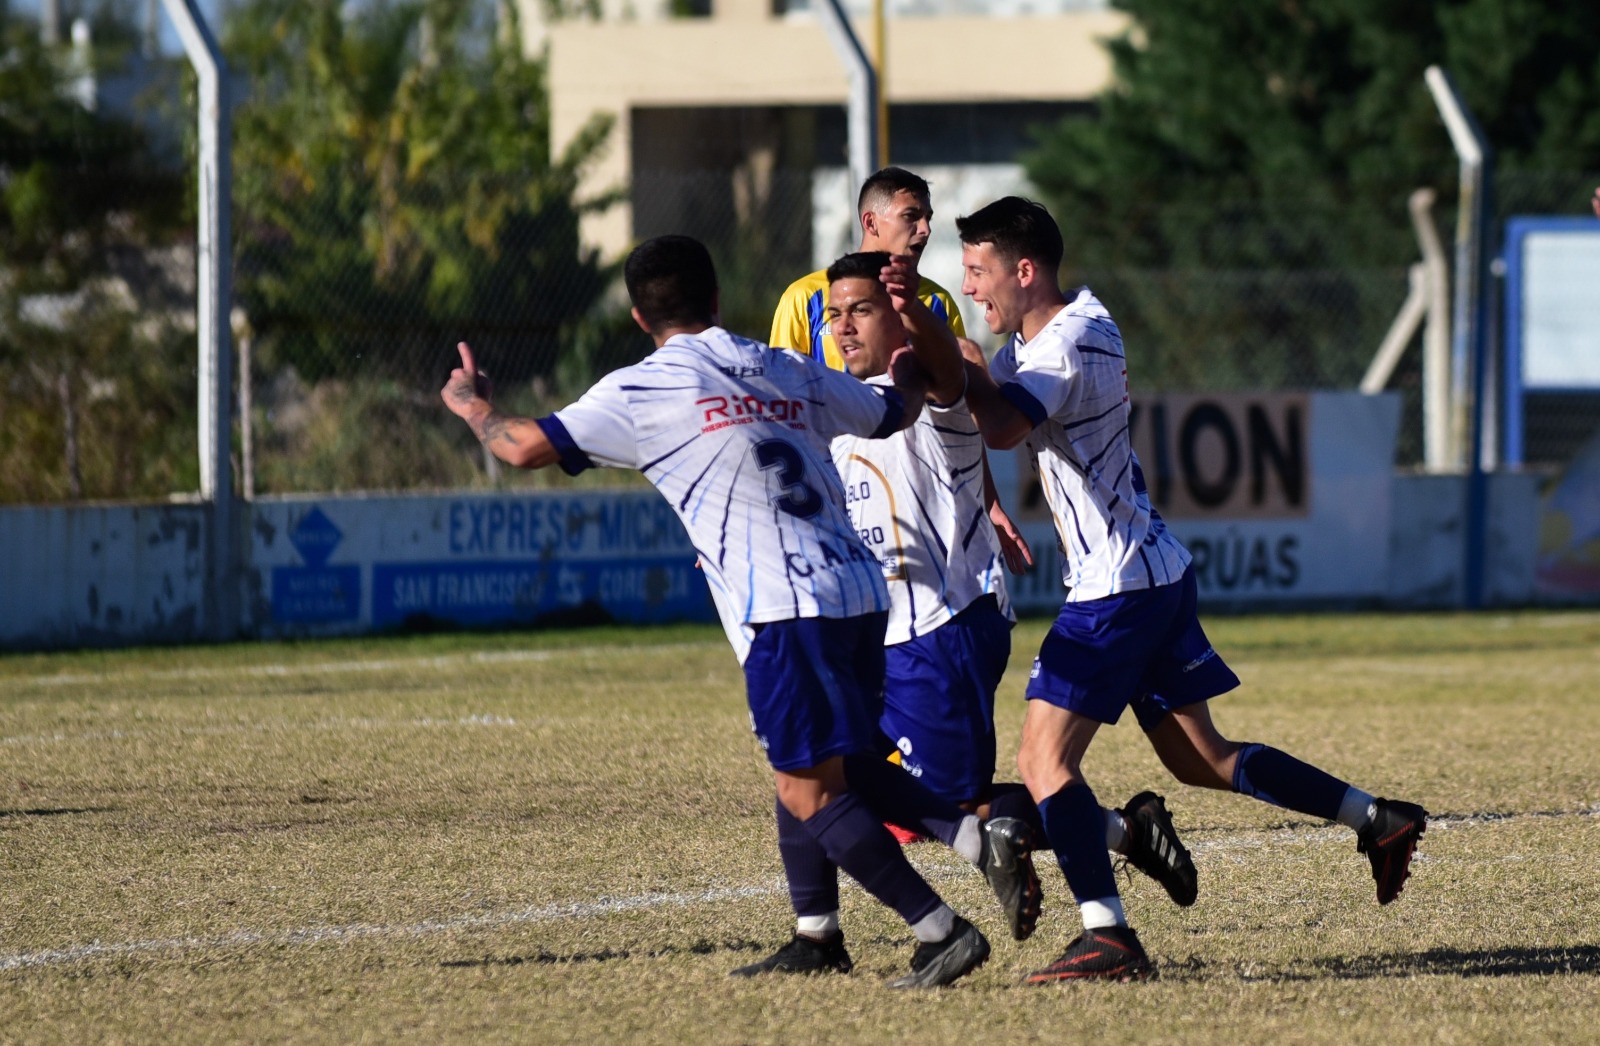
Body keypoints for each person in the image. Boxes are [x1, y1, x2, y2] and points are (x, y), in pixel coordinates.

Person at [441, 234, 1036, 989]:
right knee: (843, 764)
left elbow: (523, 446)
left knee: (806, 786)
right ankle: (844, 920)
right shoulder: (777, 362)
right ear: (716, 300)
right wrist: (915, 373)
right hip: (858, 593)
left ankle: (939, 929)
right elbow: (889, 414)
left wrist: (472, 405)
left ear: (636, 315)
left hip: (785, 609)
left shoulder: (643, 388)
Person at [949, 197, 1430, 984]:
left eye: (978, 272)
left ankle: (1107, 934)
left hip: (1118, 588)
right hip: (1149, 571)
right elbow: (982, 402)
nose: (971, 288)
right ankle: (1377, 819)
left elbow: (1001, 427)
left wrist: (960, 363)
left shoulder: (1073, 340)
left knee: (1043, 763)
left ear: (1024, 270)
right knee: (1201, 757)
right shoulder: (1041, 337)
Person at [770, 166, 1033, 579]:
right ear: (871, 222)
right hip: (833, 496)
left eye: (927, 216)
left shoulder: (936, 304)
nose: (926, 229)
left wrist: (991, 503)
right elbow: (779, 414)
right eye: (912, 216)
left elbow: (962, 415)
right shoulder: (804, 299)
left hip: (916, 496)